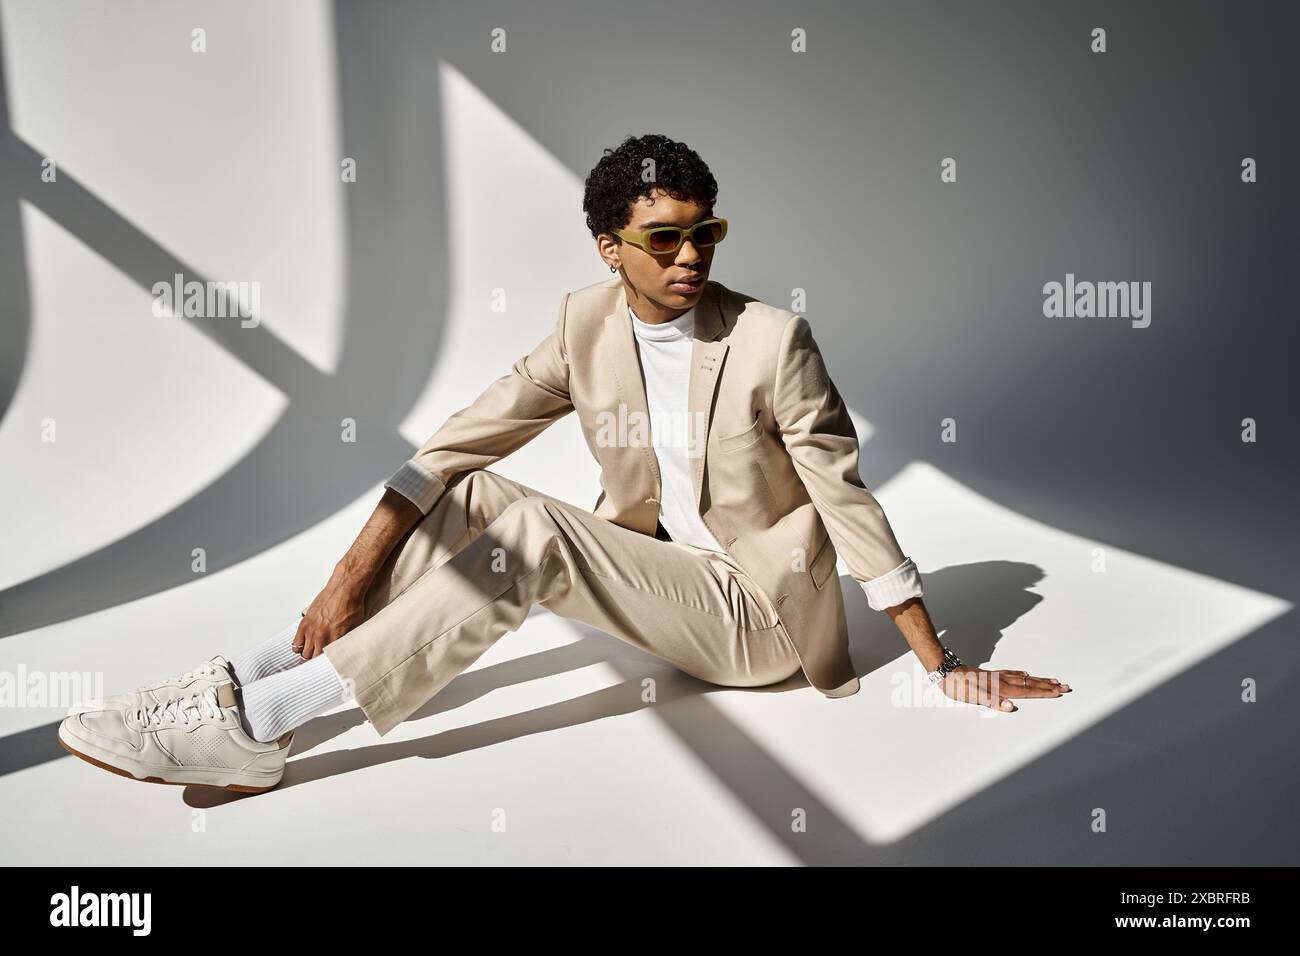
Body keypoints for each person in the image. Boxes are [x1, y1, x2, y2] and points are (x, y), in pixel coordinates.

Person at [58, 133, 1070, 794]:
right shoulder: (584, 324)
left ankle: (269, 717)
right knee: (480, 491)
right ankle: (247, 681)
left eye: (704, 234)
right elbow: (458, 441)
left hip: (755, 617)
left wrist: (940, 662)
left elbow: (842, 497)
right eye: (663, 238)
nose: (690, 258)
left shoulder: (771, 339)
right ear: (608, 247)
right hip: (660, 577)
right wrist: (345, 575)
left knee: (531, 534)